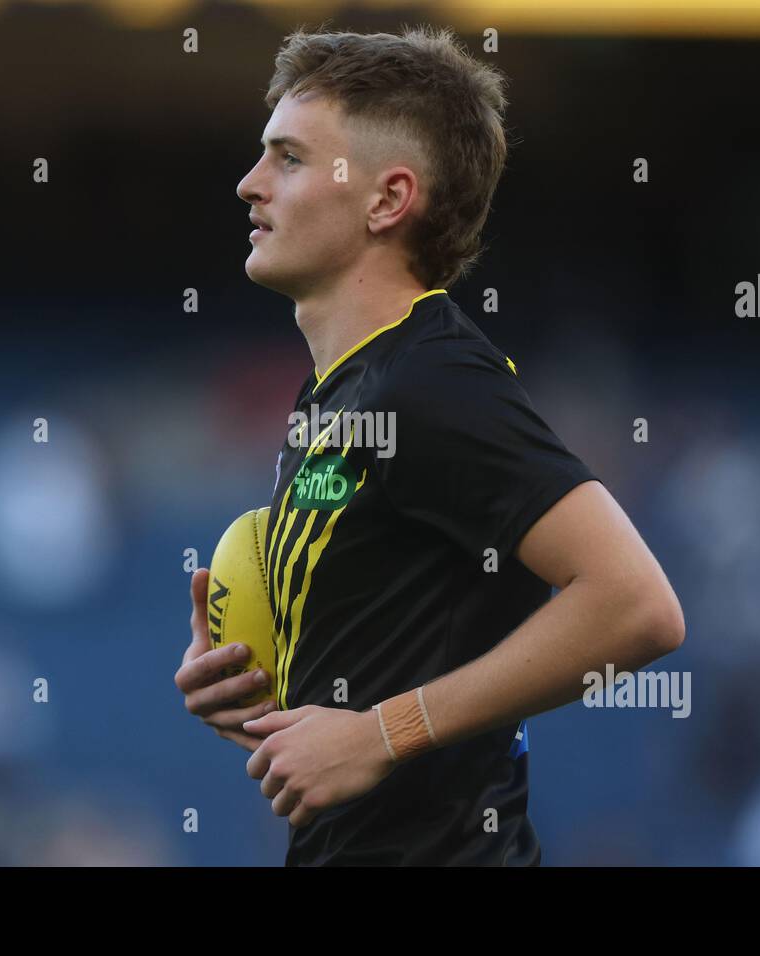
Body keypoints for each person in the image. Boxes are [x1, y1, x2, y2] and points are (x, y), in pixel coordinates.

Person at [176, 25, 684, 865]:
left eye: (289, 158)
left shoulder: (432, 380)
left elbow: (638, 606)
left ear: (387, 200)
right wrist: (253, 688)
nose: (249, 183)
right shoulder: (344, 389)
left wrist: (380, 733)